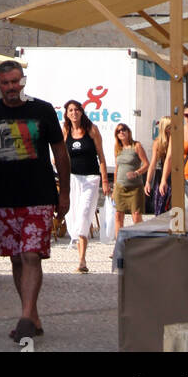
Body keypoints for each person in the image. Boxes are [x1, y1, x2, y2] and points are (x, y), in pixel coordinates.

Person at [0, 60, 70, 343]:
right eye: (6, 83)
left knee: (31, 254)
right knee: (16, 258)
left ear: (23, 81)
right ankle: (33, 314)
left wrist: (64, 193)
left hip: (39, 196)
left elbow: (61, 154)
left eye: (16, 82)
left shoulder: (42, 110)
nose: (11, 88)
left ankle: (26, 318)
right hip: (5, 197)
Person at [63, 100, 108, 272]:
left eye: (76, 110)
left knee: (84, 214)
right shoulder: (66, 131)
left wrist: (105, 180)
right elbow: (61, 153)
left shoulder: (91, 130)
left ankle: (82, 260)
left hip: (90, 178)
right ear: (67, 114)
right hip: (72, 178)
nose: (74, 113)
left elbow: (101, 157)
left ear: (81, 112)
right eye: (70, 110)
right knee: (74, 215)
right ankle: (81, 260)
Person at [112, 123, 148, 230]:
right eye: (118, 131)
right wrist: (114, 187)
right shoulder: (118, 148)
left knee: (136, 216)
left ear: (128, 132)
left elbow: (146, 164)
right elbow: (116, 168)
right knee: (118, 215)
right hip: (120, 186)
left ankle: (139, 241)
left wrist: (136, 173)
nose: (121, 132)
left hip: (135, 187)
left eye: (123, 130)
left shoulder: (136, 146)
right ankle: (120, 243)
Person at [144, 117, 171, 216]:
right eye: (169, 127)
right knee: (160, 206)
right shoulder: (158, 142)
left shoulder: (177, 141)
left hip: (174, 173)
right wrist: (147, 182)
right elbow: (153, 164)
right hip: (161, 175)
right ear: (164, 128)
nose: (172, 130)